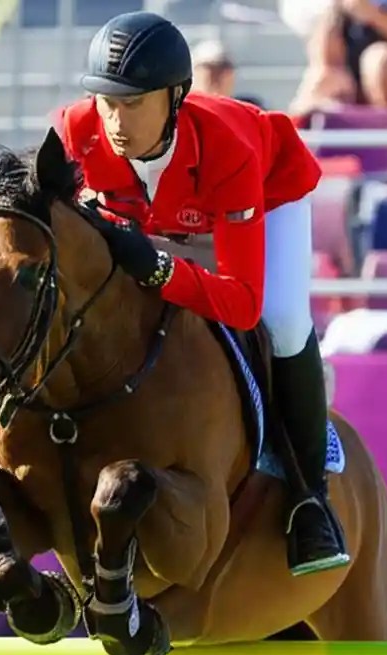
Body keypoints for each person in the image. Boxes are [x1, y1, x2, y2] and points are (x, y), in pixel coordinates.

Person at [51, 11, 350, 576]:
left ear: (176, 96)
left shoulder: (228, 147)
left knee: (282, 320)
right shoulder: (76, 129)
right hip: (165, 221)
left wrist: (160, 269)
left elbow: (240, 302)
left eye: (134, 103)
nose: (115, 121)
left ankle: (311, 501)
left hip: (266, 196)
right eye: (107, 101)